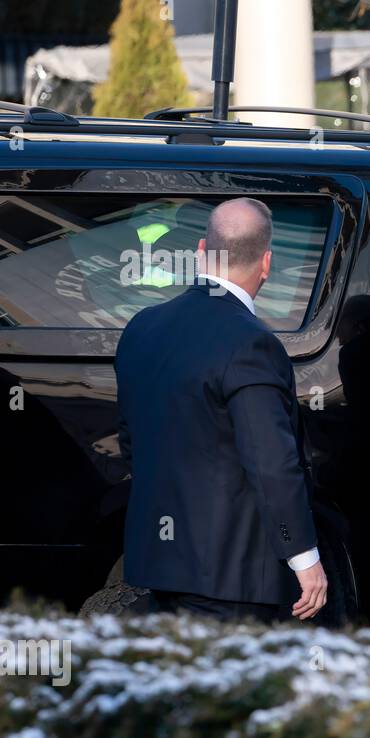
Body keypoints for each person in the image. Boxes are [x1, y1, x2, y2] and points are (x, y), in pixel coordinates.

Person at [115, 197, 328, 622]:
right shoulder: (251, 342)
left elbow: (132, 442)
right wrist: (304, 558)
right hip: (233, 576)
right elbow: (271, 463)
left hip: (159, 566)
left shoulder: (142, 327)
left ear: (199, 251)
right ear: (266, 263)